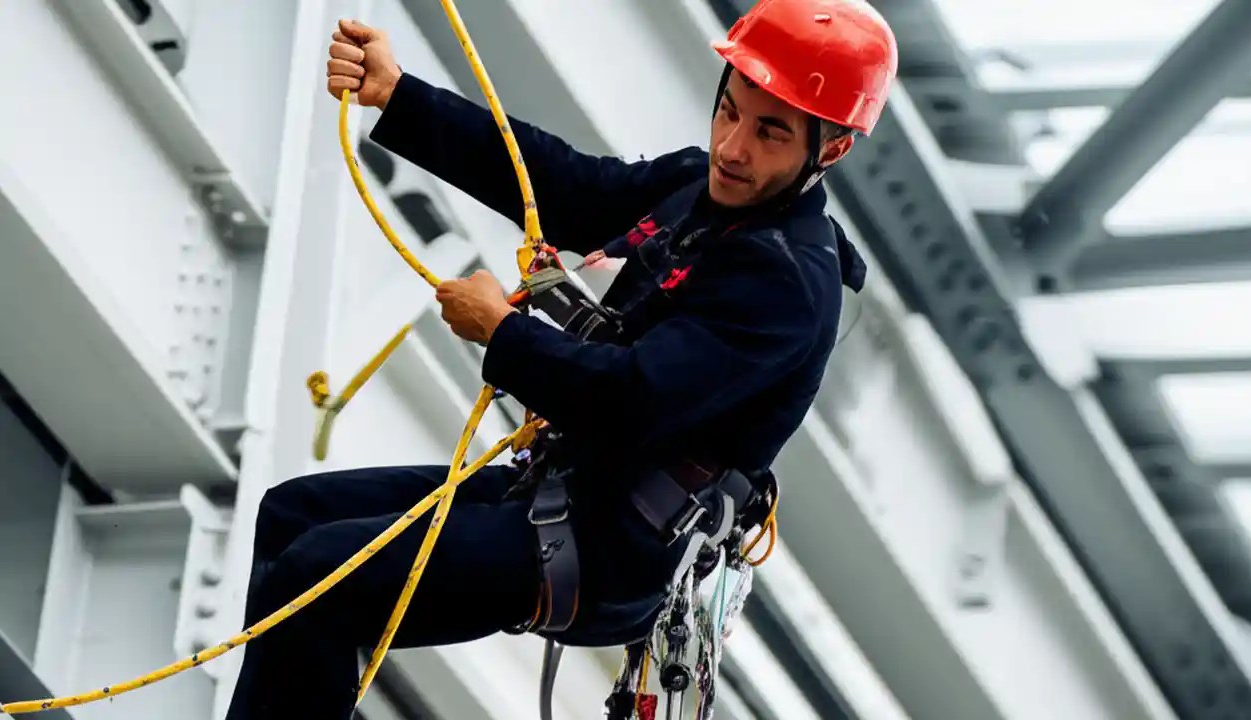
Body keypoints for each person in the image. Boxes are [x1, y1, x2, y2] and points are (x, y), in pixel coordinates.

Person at [225, 1, 897, 717]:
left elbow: (632, 400)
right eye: (729, 111)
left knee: (320, 579)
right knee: (293, 517)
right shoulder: (694, 191)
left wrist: (502, 334)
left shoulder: (785, 283)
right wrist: (399, 95)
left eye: (770, 132)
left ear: (831, 148)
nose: (733, 147)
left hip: (608, 546)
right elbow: (568, 186)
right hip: (563, 487)